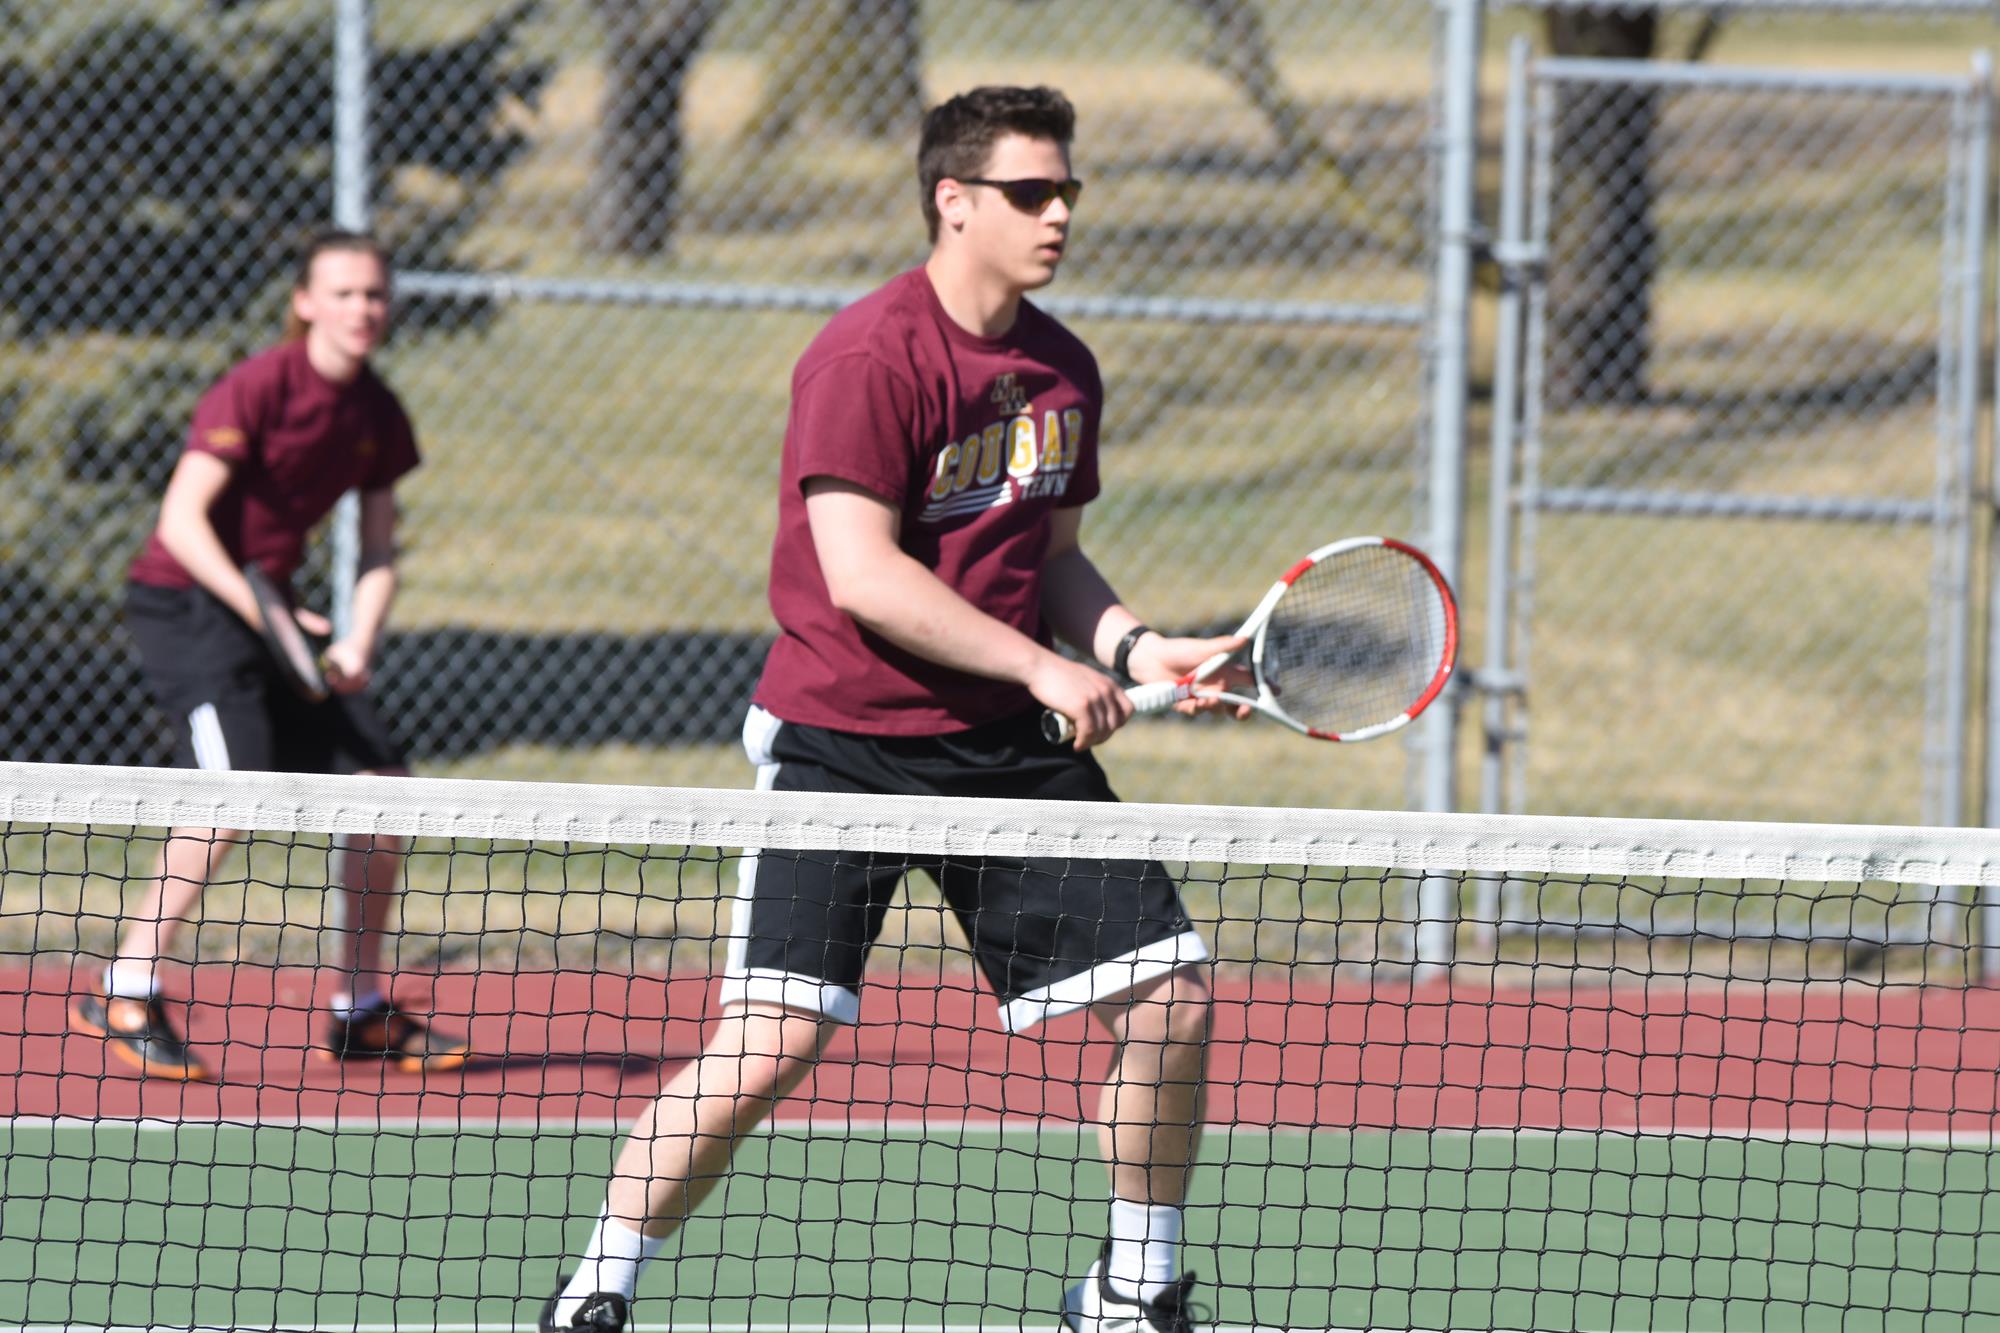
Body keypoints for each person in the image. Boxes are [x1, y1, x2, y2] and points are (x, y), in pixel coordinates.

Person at [541, 86, 1240, 1333]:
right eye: (1030, 192)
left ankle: (1132, 1288)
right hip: (844, 746)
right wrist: (1038, 668)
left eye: (1067, 189)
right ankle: (596, 1287)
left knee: (1174, 998)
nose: (1058, 212)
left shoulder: (1060, 368)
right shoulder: (869, 355)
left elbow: (1052, 559)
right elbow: (862, 574)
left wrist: (1137, 644)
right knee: (769, 1048)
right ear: (951, 200)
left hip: (1006, 760)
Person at [69, 230, 467, 1082]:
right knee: (231, 791)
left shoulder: (377, 411)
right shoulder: (256, 386)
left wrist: (357, 635)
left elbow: (381, 551)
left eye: (376, 294)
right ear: (306, 302)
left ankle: (359, 1010)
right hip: (185, 604)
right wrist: (268, 612)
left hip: (269, 610)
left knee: (382, 790)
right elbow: (182, 523)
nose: (365, 309)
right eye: (347, 292)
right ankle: (126, 987)